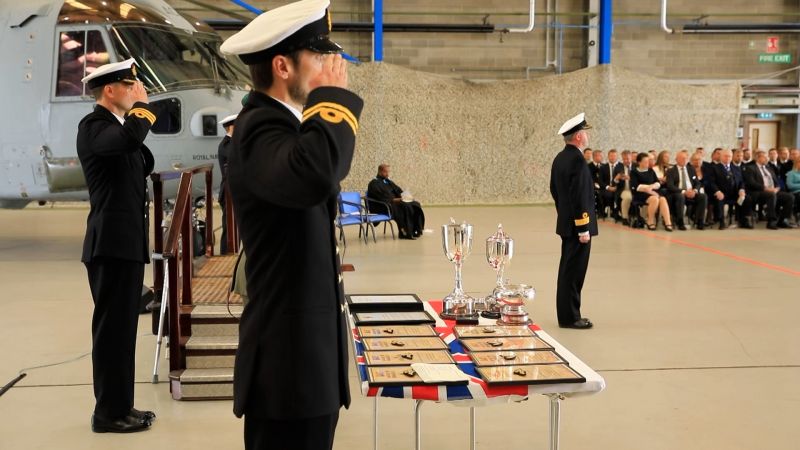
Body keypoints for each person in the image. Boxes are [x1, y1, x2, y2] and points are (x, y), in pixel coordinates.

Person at [219, 1, 363, 448]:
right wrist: (333, 99)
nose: (328, 67)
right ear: (282, 65)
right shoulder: (260, 129)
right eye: (317, 57)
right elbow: (317, 172)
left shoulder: (284, 127)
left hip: (305, 367)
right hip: (287, 373)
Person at [77, 58, 157, 433]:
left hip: (125, 244)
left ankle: (121, 406)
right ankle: (106, 414)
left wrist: (135, 116)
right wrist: (141, 112)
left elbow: (137, 154)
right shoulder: (93, 126)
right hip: (109, 244)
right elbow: (126, 142)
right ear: (110, 90)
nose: (137, 92)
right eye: (131, 86)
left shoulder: (118, 127)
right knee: (111, 333)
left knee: (124, 333)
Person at [550, 113, 596, 330]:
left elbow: (555, 191)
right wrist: (582, 227)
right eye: (584, 132)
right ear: (578, 136)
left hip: (567, 224)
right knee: (574, 272)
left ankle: (568, 314)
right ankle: (571, 318)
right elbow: (580, 196)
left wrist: (566, 216)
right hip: (578, 228)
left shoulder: (560, 158)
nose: (586, 135)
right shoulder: (577, 159)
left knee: (568, 270)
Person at [366, 164, 425, 239]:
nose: (388, 174)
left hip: (393, 203)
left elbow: (398, 190)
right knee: (404, 207)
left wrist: (406, 196)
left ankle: (416, 230)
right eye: (386, 172)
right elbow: (381, 197)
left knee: (415, 204)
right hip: (382, 206)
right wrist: (396, 200)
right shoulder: (374, 183)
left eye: (388, 172)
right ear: (380, 172)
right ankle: (405, 233)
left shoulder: (388, 181)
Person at [743, 150, 795, 229]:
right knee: (771, 195)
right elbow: (751, 183)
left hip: (772, 191)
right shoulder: (750, 168)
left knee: (790, 197)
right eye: (765, 157)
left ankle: (782, 220)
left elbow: (776, 180)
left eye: (767, 157)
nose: (767, 159)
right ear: (757, 158)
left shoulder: (769, 168)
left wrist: (777, 188)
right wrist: (766, 188)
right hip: (758, 192)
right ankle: (771, 221)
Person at [708, 149, 752, 229]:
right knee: (720, 200)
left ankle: (744, 220)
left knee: (747, 198)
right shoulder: (714, 168)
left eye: (729, 156)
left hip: (734, 193)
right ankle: (721, 221)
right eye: (726, 156)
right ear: (721, 157)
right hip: (721, 193)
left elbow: (741, 181)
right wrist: (717, 191)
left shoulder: (735, 168)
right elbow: (711, 182)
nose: (728, 158)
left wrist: (741, 190)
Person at [631, 152, 673, 231]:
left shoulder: (650, 171)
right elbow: (636, 186)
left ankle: (668, 222)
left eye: (648, 161)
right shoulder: (634, 172)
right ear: (639, 162)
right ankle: (650, 220)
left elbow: (657, 183)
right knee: (655, 199)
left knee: (663, 199)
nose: (648, 163)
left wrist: (652, 187)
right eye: (645, 162)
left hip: (653, 192)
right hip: (640, 194)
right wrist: (648, 188)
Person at [665, 150, 707, 230]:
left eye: (686, 158)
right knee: (680, 197)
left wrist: (695, 191)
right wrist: (684, 191)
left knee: (703, 196)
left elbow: (697, 183)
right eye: (682, 158)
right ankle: (680, 221)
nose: (684, 160)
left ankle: (699, 221)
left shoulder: (691, 169)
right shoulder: (671, 171)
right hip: (678, 193)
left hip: (691, 192)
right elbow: (670, 186)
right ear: (676, 159)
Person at [217, 114, 237, 254]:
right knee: (230, 228)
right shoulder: (226, 145)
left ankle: (232, 254)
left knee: (236, 230)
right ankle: (226, 256)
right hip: (229, 193)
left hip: (235, 192)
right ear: (232, 127)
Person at [599, 149, 620, 220]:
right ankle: (604, 211)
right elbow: (600, 181)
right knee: (605, 194)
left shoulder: (621, 166)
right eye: (611, 156)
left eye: (614, 156)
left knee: (618, 195)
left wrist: (616, 187)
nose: (613, 157)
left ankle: (615, 212)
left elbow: (623, 180)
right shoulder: (603, 167)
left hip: (618, 188)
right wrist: (608, 187)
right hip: (606, 188)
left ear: (617, 157)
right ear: (608, 157)